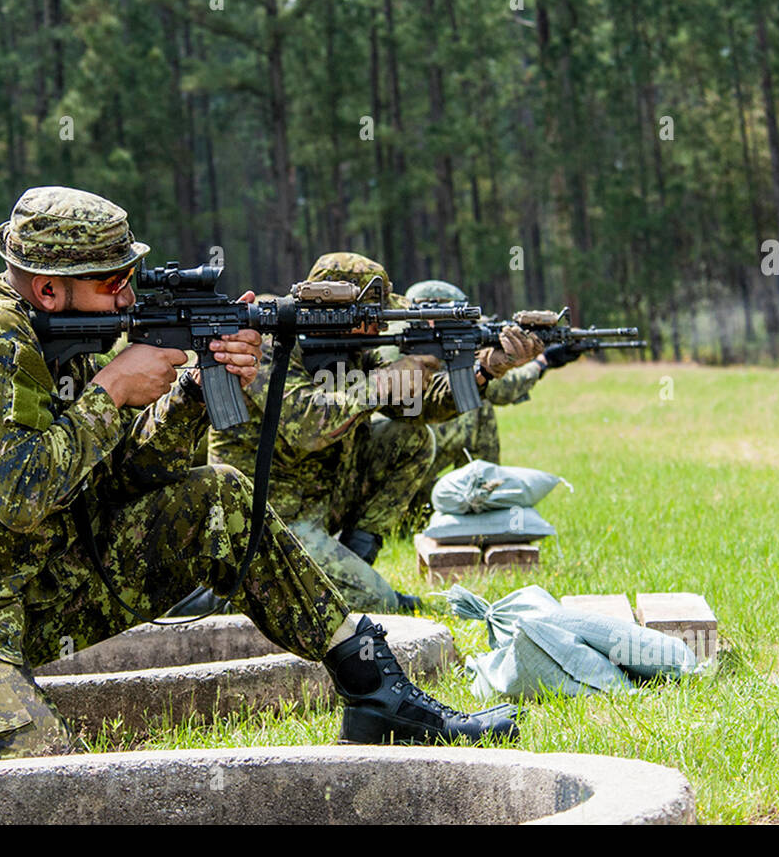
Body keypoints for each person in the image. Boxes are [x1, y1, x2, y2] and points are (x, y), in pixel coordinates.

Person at [0, 187, 516, 770]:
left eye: (131, 273)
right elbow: (20, 496)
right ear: (47, 288)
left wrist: (190, 393)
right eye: (112, 283)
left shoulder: (75, 336)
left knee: (218, 498)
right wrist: (112, 393)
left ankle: (376, 689)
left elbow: (126, 481)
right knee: (52, 782)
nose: (128, 294)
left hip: (20, 578)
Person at [207, 253, 542, 614]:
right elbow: (307, 423)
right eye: (372, 315)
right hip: (264, 520)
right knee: (379, 603)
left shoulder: (350, 350)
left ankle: (353, 561)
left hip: (318, 503)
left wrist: (485, 370)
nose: (380, 327)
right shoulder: (266, 342)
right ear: (336, 312)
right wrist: (391, 377)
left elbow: (418, 406)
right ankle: (227, 594)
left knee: (411, 439)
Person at [401, 279, 582, 525]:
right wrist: (542, 363)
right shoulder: (423, 350)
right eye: (456, 314)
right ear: (432, 314)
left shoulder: (402, 342)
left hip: (398, 481)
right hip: (406, 481)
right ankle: (482, 496)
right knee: (477, 406)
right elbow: (503, 390)